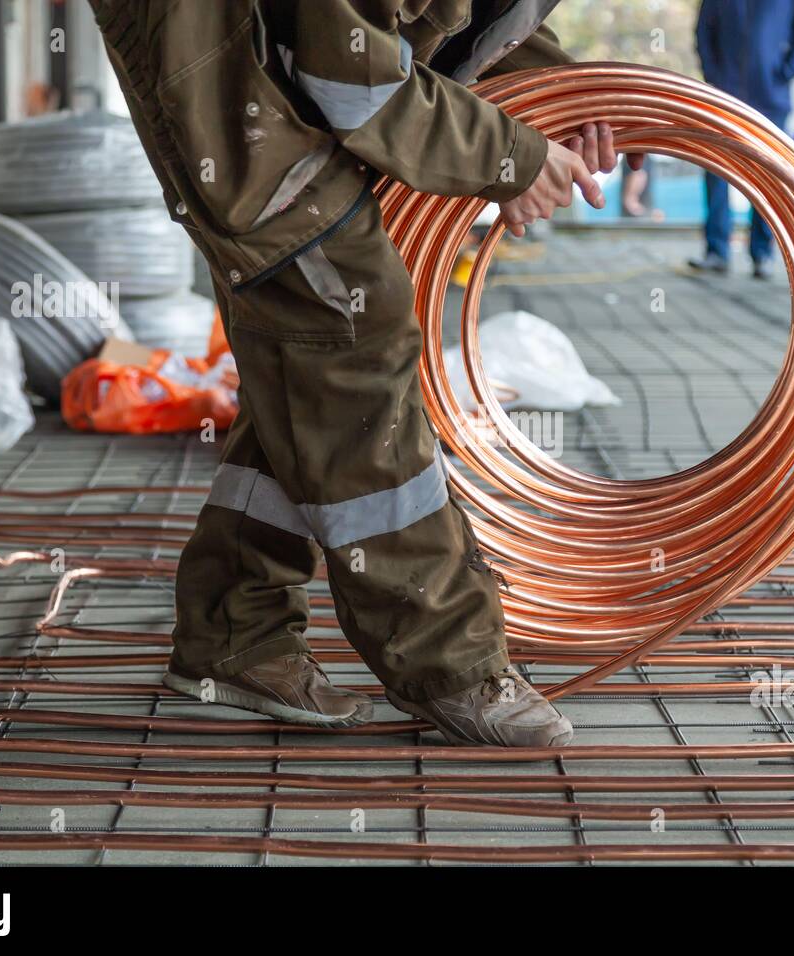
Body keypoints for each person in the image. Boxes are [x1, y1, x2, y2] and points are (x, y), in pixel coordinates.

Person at [91, 0, 636, 748]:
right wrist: (514, 158)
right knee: (354, 340)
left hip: (265, 86)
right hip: (240, 99)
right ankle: (452, 666)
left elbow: (480, 17)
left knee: (302, 363)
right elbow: (348, 71)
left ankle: (235, 629)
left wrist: (567, 99)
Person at [690, 0, 794, 278]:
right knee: (716, 169)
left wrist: (783, 73)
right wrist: (713, 75)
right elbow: (703, 30)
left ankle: (763, 254)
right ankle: (716, 250)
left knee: (768, 178)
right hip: (724, 98)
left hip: (770, 99)